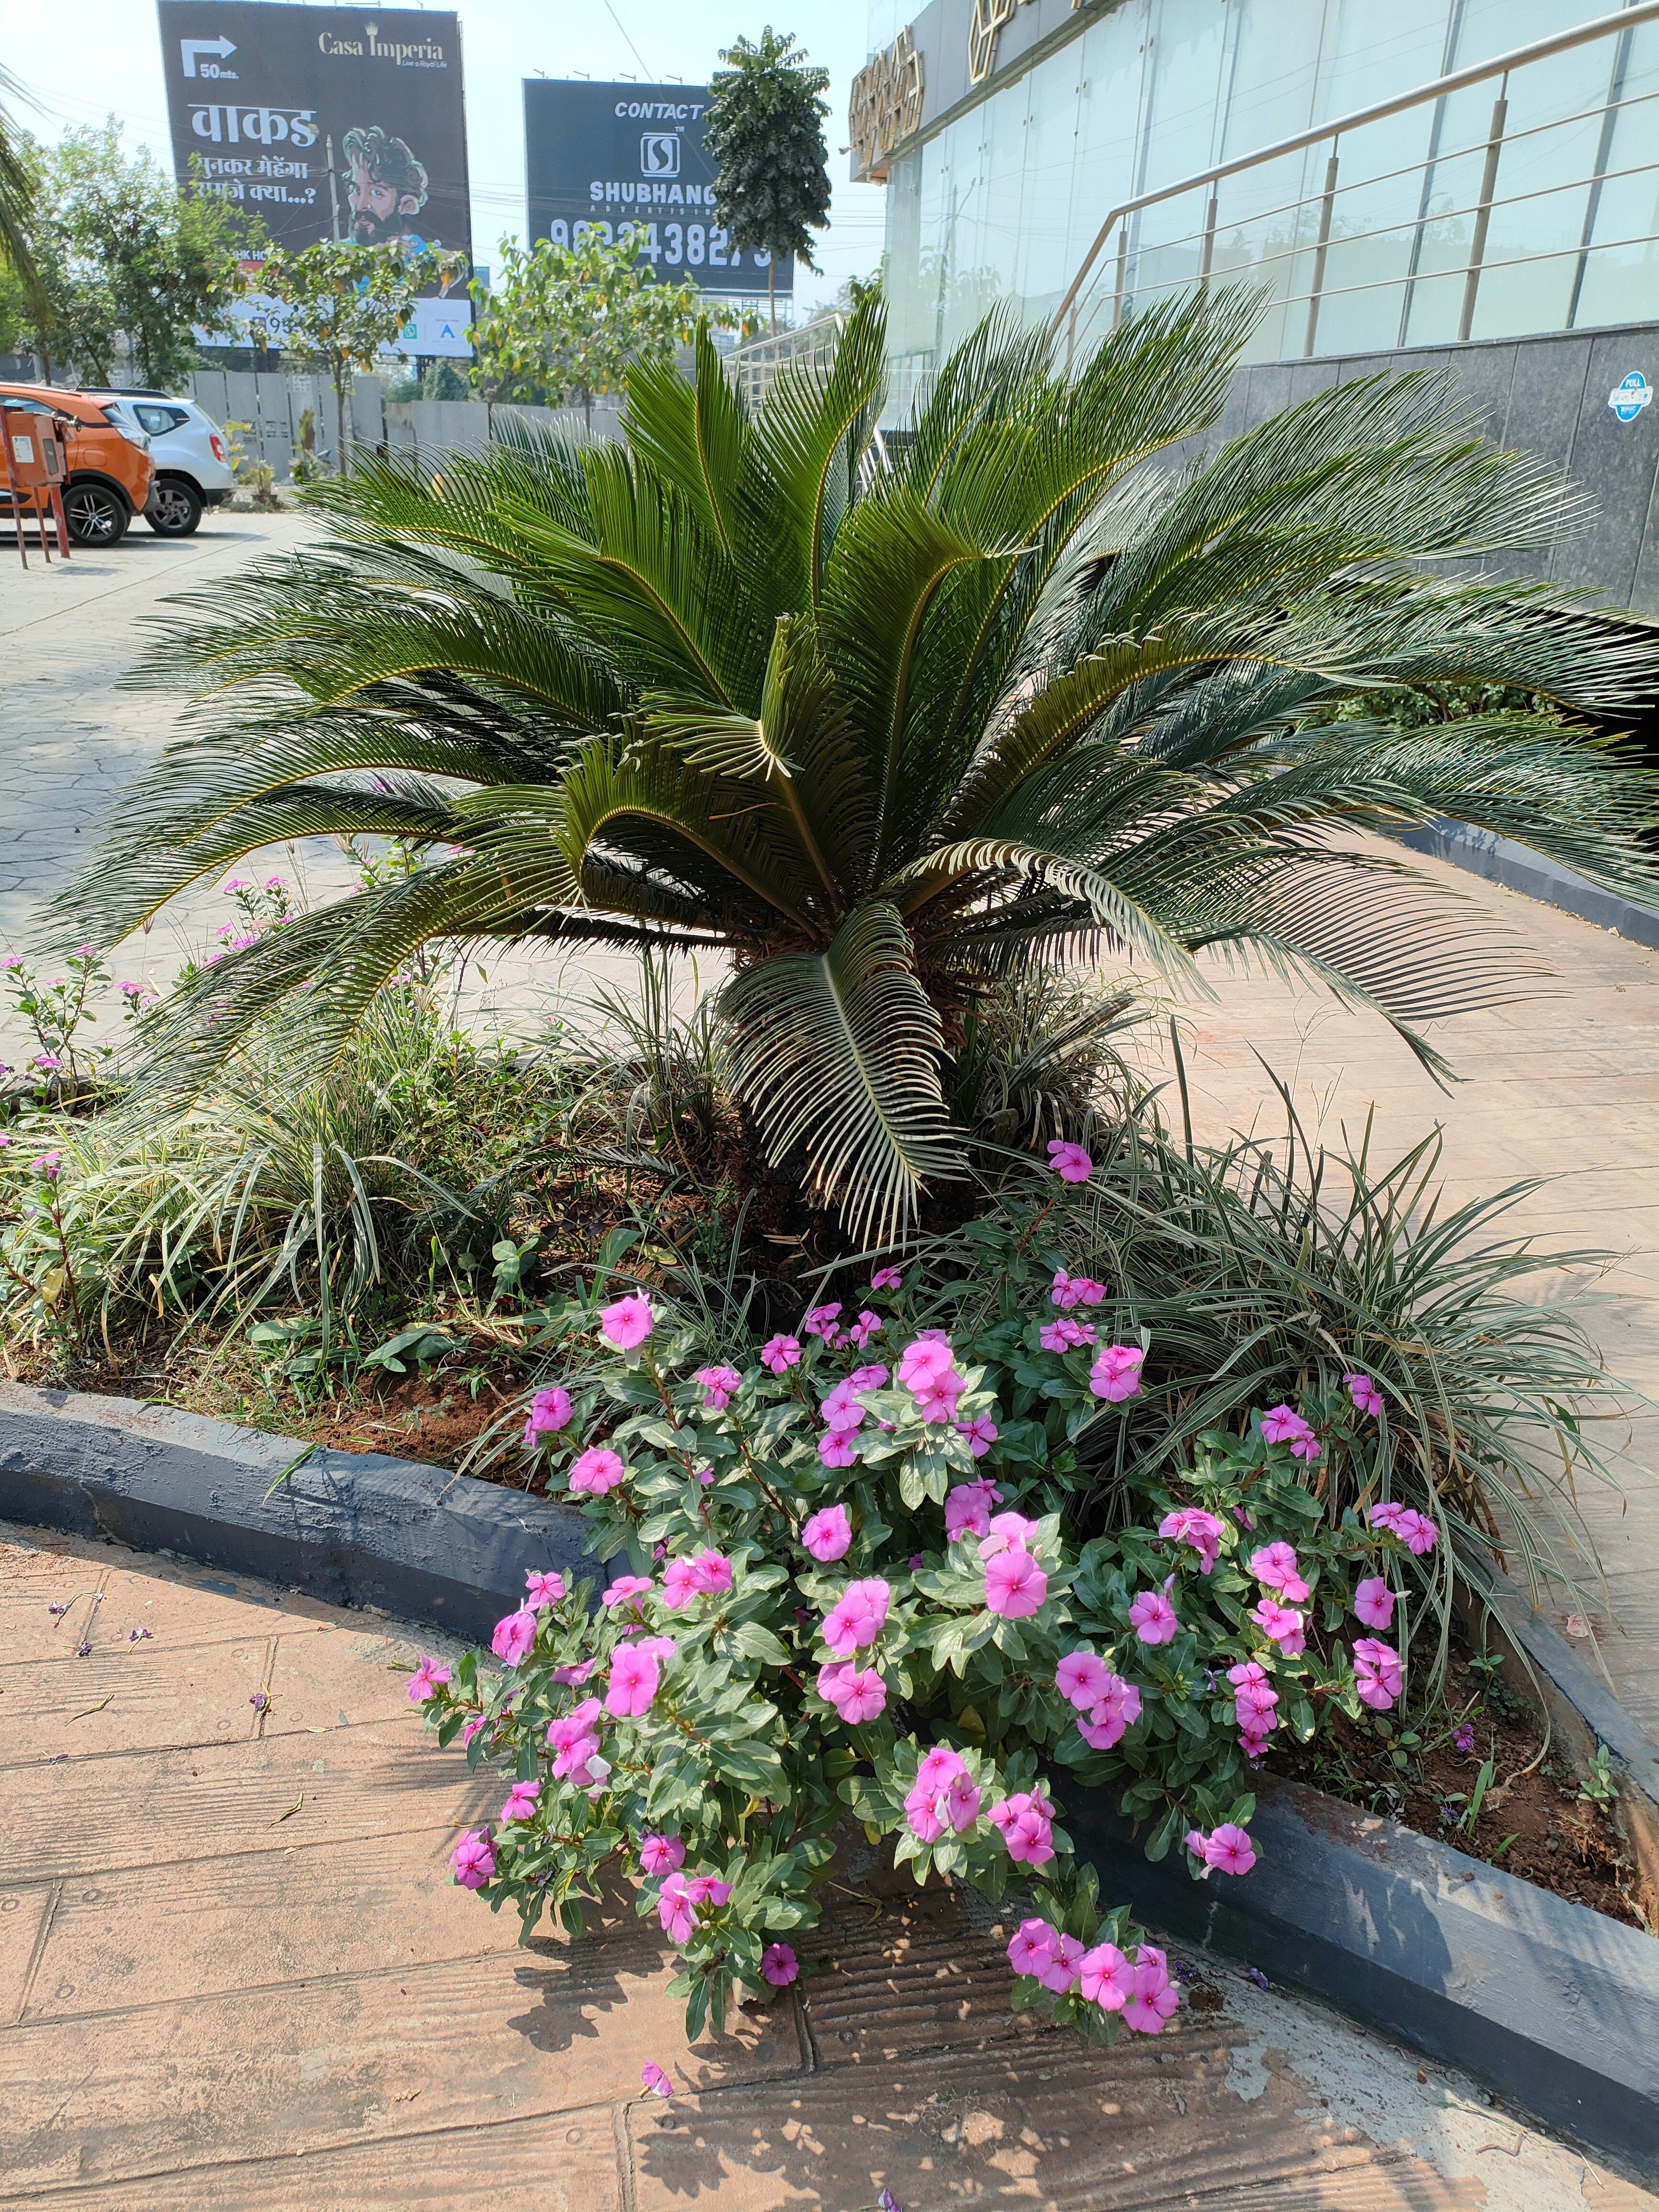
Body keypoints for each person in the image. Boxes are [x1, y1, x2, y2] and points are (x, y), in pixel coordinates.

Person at [343, 124, 435, 247]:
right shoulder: (334, 259)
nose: (360, 206)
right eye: (356, 191)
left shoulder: (426, 259)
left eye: (376, 193)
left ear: (407, 205)